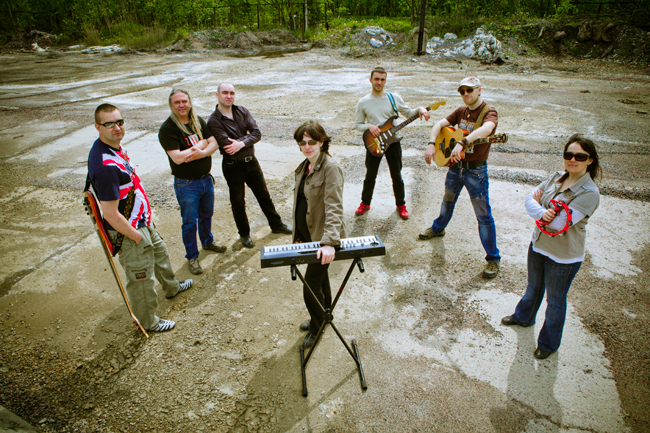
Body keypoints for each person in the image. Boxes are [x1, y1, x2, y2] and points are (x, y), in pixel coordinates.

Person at [88, 103, 193, 332]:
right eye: (109, 124)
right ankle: (149, 322)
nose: (117, 127)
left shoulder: (114, 147)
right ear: (98, 127)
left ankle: (171, 287)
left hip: (141, 221)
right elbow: (110, 214)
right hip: (129, 230)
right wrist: (136, 237)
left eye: (119, 122)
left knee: (160, 254)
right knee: (141, 279)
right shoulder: (105, 166)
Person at [501, 134, 601, 359]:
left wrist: (540, 211)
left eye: (580, 156)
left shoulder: (589, 193)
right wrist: (541, 212)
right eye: (568, 154)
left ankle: (548, 343)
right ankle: (523, 317)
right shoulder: (556, 177)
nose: (572, 159)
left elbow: (558, 224)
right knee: (533, 287)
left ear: (590, 160)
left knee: (555, 302)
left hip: (563, 256)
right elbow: (529, 199)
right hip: (539, 244)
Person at [421, 76, 501, 279]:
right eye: (462, 91)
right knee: (447, 202)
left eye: (469, 90)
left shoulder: (488, 111)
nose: (466, 94)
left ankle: (493, 259)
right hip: (456, 167)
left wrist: (463, 142)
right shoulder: (461, 111)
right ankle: (438, 229)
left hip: (476, 171)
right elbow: (439, 124)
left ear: (479, 90)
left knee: (483, 216)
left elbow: (487, 129)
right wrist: (431, 144)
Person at [207, 83, 292, 249]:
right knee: (238, 201)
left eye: (232, 93)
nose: (229, 96)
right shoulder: (213, 121)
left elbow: (257, 133)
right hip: (232, 166)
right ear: (217, 95)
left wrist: (240, 143)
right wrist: (246, 138)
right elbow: (227, 145)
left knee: (264, 195)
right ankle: (244, 234)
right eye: (225, 93)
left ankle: (276, 225)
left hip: (251, 162)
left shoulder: (242, 111)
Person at [158, 88, 226, 275]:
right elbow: (178, 158)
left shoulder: (197, 121)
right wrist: (200, 144)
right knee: (189, 223)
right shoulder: (168, 129)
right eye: (177, 102)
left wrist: (202, 152)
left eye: (184, 101)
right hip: (186, 185)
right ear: (171, 105)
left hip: (206, 180)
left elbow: (214, 142)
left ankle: (207, 242)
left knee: (206, 215)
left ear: (189, 103)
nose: (181, 105)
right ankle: (192, 256)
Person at [292, 121, 344, 348]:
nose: (307, 146)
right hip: (309, 236)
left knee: (311, 285)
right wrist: (299, 235)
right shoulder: (304, 166)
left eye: (311, 142)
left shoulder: (330, 168)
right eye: (302, 142)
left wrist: (329, 242)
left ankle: (318, 325)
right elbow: (301, 203)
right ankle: (324, 314)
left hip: (324, 240)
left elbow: (334, 207)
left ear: (322, 142)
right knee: (321, 279)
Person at [354, 66, 430, 220]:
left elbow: (408, 113)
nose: (379, 82)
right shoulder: (363, 102)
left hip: (393, 142)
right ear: (370, 80)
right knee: (370, 175)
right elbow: (358, 125)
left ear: (385, 81)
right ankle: (365, 203)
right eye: (376, 79)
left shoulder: (393, 98)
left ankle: (401, 205)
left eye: (382, 79)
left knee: (397, 175)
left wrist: (421, 108)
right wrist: (369, 126)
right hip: (374, 142)